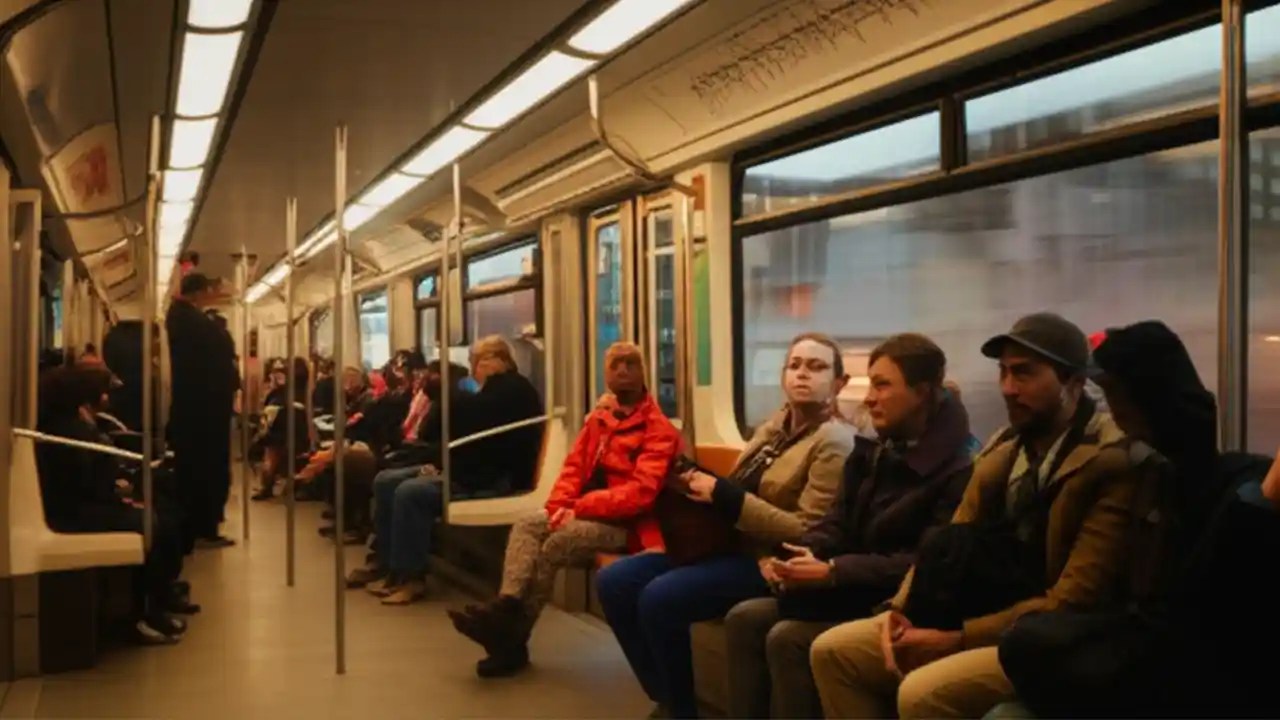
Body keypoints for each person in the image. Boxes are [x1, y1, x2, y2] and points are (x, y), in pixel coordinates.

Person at [809, 312, 1141, 719]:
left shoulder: (1108, 462)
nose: (1008, 389)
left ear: (1072, 382)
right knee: (834, 653)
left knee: (922, 693)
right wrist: (900, 609)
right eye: (1003, 373)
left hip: (1052, 636)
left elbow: (1073, 600)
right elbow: (950, 538)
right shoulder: (1007, 448)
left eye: (1024, 374)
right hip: (989, 603)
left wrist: (956, 639)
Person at [994, 320, 1280, 718]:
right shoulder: (1141, 470)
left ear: (1150, 400)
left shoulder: (1230, 488)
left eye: (1119, 397)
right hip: (1137, 637)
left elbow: (1201, 607)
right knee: (1025, 645)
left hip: (1191, 666)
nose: (1116, 412)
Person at [596, 332, 855, 719]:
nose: (803, 374)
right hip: (723, 543)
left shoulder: (834, 441)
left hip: (767, 558)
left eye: (817, 367)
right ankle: (666, 695)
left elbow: (806, 529)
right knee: (614, 582)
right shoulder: (774, 428)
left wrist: (726, 498)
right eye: (795, 365)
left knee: (660, 598)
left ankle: (682, 712)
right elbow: (734, 486)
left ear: (839, 383)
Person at [723, 334, 975, 719]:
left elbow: (924, 563)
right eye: (870, 384)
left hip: (893, 600)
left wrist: (835, 571)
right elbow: (836, 522)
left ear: (922, 393)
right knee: (745, 617)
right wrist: (800, 555)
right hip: (851, 586)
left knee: (787, 638)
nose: (869, 398)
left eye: (882, 385)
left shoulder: (958, 469)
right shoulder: (878, 449)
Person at [448, 341, 679, 679]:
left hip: (631, 526)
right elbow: (573, 469)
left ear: (644, 373)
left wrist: (577, 508)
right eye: (615, 364)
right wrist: (558, 507)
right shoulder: (599, 421)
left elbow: (640, 495)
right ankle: (507, 607)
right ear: (605, 372)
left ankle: (509, 639)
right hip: (581, 511)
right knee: (529, 524)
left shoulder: (658, 430)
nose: (623, 371)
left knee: (557, 543)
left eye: (631, 364)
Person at [348, 337, 544, 606]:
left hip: (493, 479)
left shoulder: (512, 391)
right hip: (470, 468)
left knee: (410, 491)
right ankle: (385, 562)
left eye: (479, 362)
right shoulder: (491, 393)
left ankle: (411, 576)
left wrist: (439, 462)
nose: (475, 369)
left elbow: (473, 434)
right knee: (385, 480)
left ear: (497, 361)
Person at [36, 364, 189, 644]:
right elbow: (84, 480)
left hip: (83, 503)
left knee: (163, 513)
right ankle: (141, 614)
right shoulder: (68, 430)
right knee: (151, 521)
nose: (107, 398)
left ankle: (159, 598)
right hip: (73, 513)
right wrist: (120, 494)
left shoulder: (70, 422)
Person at [165, 273, 238, 549]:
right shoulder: (194, 323)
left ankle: (197, 523)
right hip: (204, 412)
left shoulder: (182, 320)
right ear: (200, 292)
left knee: (195, 468)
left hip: (195, 410)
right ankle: (203, 525)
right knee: (205, 469)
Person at [250, 358, 310, 501]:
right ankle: (280, 484)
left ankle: (267, 486)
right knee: (280, 454)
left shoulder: (284, 389)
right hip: (295, 423)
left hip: (281, 422)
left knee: (271, 454)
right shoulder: (302, 388)